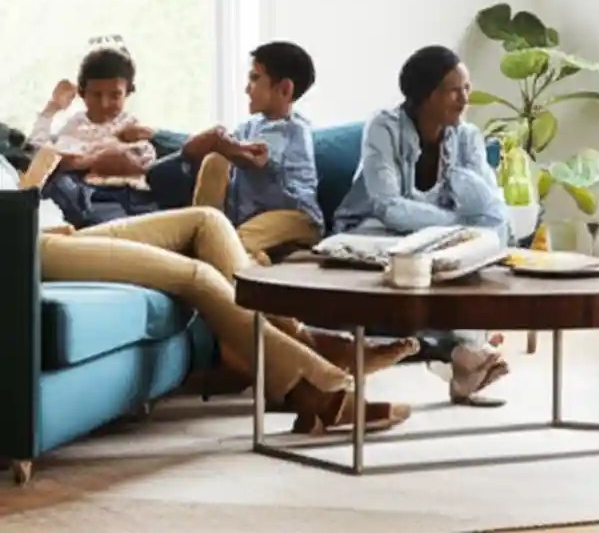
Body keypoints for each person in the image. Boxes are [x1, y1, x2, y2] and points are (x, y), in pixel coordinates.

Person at [3, 149, 420, 434]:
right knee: (197, 277)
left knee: (207, 221)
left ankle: (305, 342)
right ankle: (311, 389)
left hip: (57, 230)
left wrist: (32, 183)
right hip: (28, 249)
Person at [334, 45, 510, 405]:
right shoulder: (383, 127)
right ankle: (464, 356)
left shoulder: (467, 137)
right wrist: (459, 226)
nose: (464, 98)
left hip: (436, 240)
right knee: (423, 259)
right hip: (370, 232)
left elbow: (493, 211)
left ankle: (465, 355)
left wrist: (460, 231)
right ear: (426, 95)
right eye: (453, 89)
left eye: (467, 88)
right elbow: (388, 207)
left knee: (476, 253)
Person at [181, 41, 324, 263]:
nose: (247, 88)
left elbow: (256, 159)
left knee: (231, 241)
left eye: (255, 78)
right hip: (253, 218)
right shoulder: (249, 127)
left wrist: (222, 143)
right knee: (214, 160)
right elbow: (210, 151)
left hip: (297, 218)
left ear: (284, 89)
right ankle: (202, 228)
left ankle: (222, 251)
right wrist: (211, 144)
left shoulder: (295, 130)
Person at [32, 43, 160, 226]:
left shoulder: (131, 125)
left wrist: (125, 154)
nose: (105, 104)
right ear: (82, 93)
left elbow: (145, 159)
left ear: (127, 93)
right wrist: (51, 109)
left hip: (136, 194)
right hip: (95, 195)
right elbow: (41, 154)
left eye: (115, 95)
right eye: (96, 95)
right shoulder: (76, 125)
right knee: (61, 185)